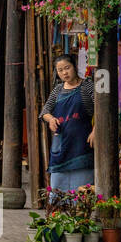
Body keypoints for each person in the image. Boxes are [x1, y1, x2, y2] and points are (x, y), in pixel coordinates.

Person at [40, 54, 96, 191]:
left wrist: (96, 130)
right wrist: (51, 119)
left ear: (75, 67)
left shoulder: (87, 86)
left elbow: (101, 109)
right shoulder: (58, 90)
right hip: (61, 145)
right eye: (60, 70)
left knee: (82, 189)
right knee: (57, 189)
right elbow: (44, 112)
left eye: (67, 68)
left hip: (82, 144)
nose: (64, 72)